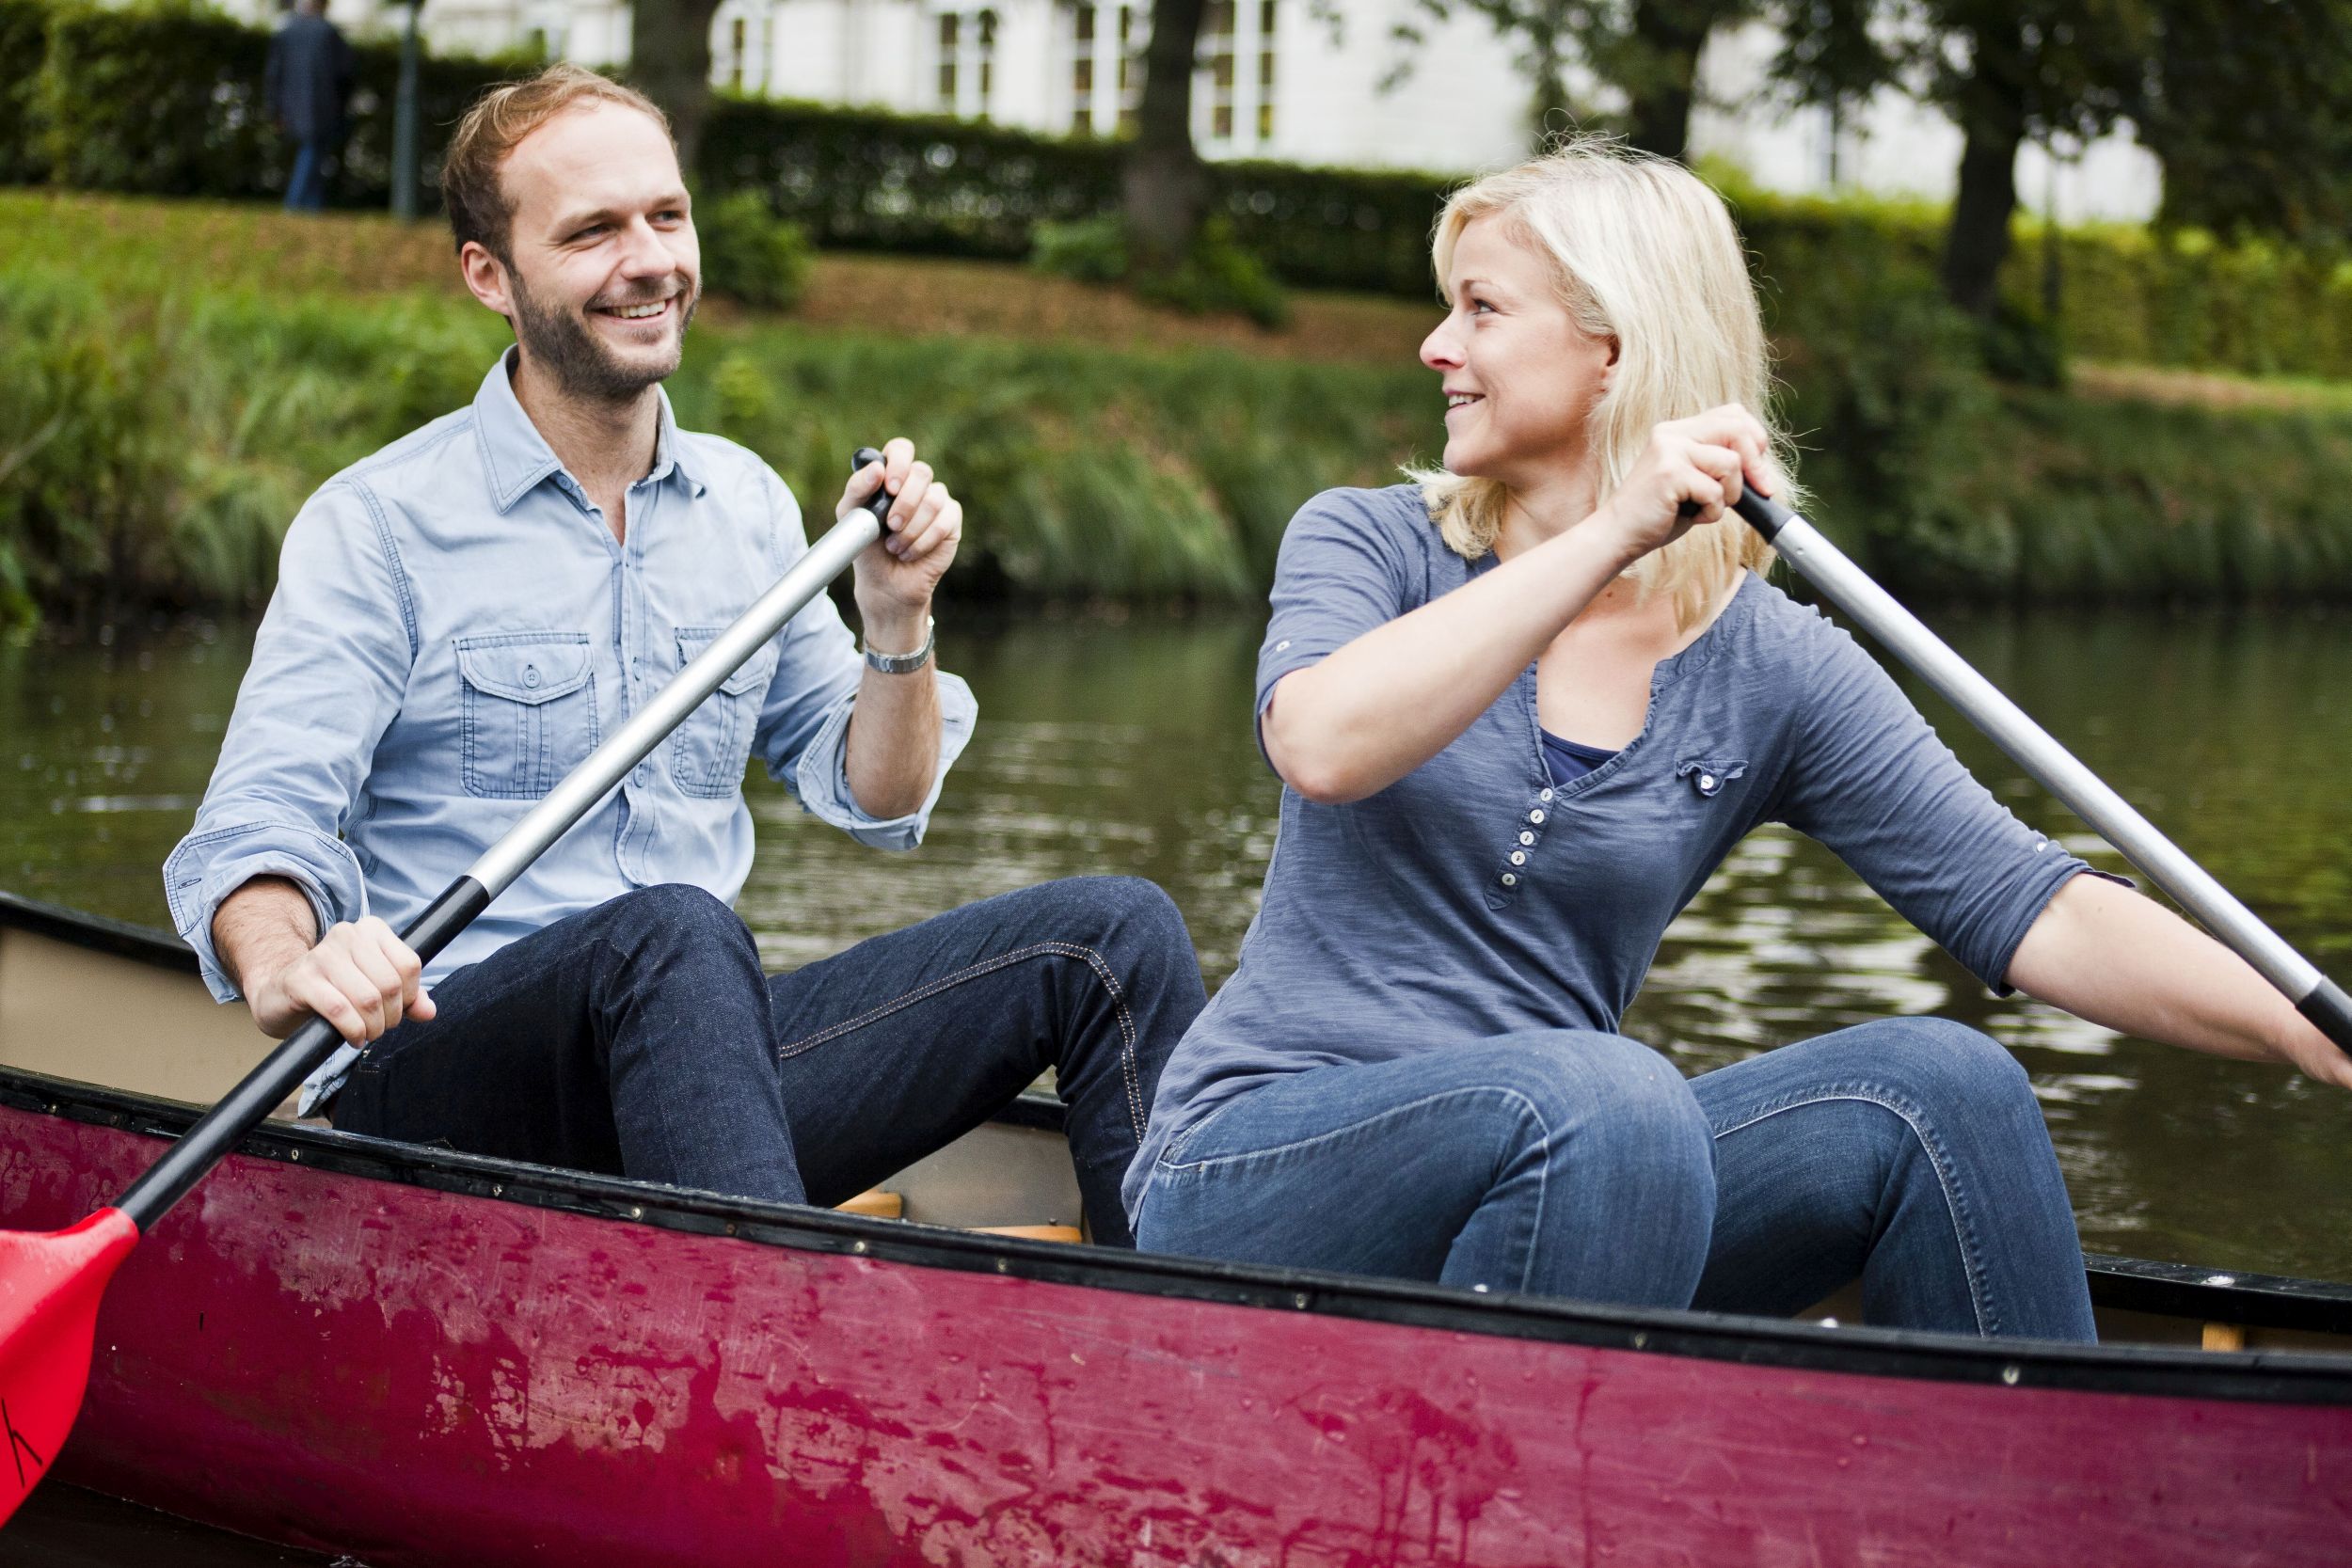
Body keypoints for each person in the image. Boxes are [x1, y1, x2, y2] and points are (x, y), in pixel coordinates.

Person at [1124, 143, 2352, 1335]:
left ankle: (2053, 1512)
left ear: (1615, 347)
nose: (1437, 346)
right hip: (1258, 1168)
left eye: (1482, 308)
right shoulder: (1368, 543)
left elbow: (2038, 903)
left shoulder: (1774, 664)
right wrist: (1608, 534)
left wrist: (2313, 1028)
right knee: (1613, 1096)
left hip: (1583, 1184)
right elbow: (1323, 740)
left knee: (1946, 1086)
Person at [163, 65, 1203, 1245]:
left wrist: (898, 618)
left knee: (1114, 933)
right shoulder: (378, 524)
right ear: (489, 277)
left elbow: (880, 795)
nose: (651, 259)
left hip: (697, 1073)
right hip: (441, 1085)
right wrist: (289, 966)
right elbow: (258, 824)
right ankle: (771, 1361)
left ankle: (1178, 1353)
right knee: (672, 928)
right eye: (595, 231)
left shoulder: (748, 507)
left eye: (666, 215)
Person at [264, 0, 353, 213]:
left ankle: (313, 209)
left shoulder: (286, 32)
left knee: (313, 153)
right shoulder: (329, 34)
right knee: (312, 151)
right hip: (323, 105)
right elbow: (345, 74)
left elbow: (273, 75)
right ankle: (293, 205)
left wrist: (274, 109)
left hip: (291, 107)